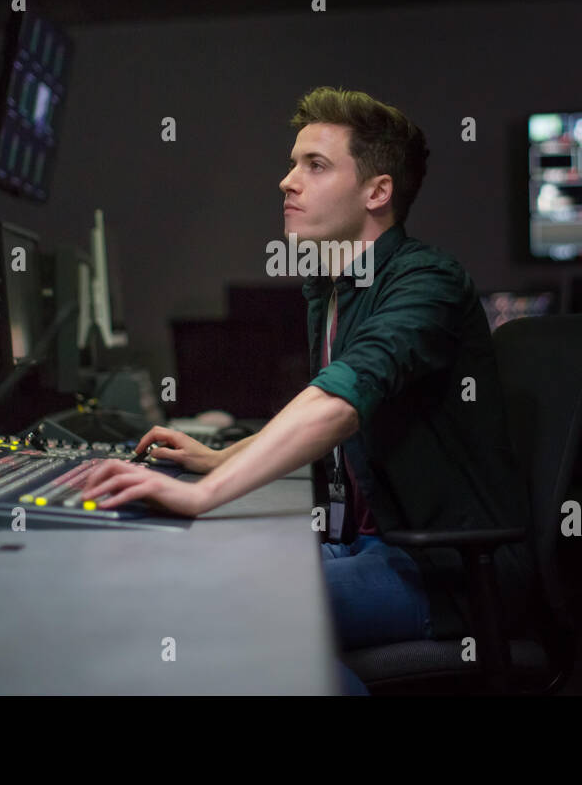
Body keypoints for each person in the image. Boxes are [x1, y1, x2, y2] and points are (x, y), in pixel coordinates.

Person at [78, 86, 535, 695]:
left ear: (377, 192)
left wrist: (202, 494)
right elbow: (324, 396)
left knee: (234, 614)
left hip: (444, 572)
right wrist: (221, 456)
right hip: (366, 547)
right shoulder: (331, 285)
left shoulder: (428, 280)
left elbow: (342, 401)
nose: (286, 181)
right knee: (180, 584)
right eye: (293, 163)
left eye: (314, 165)